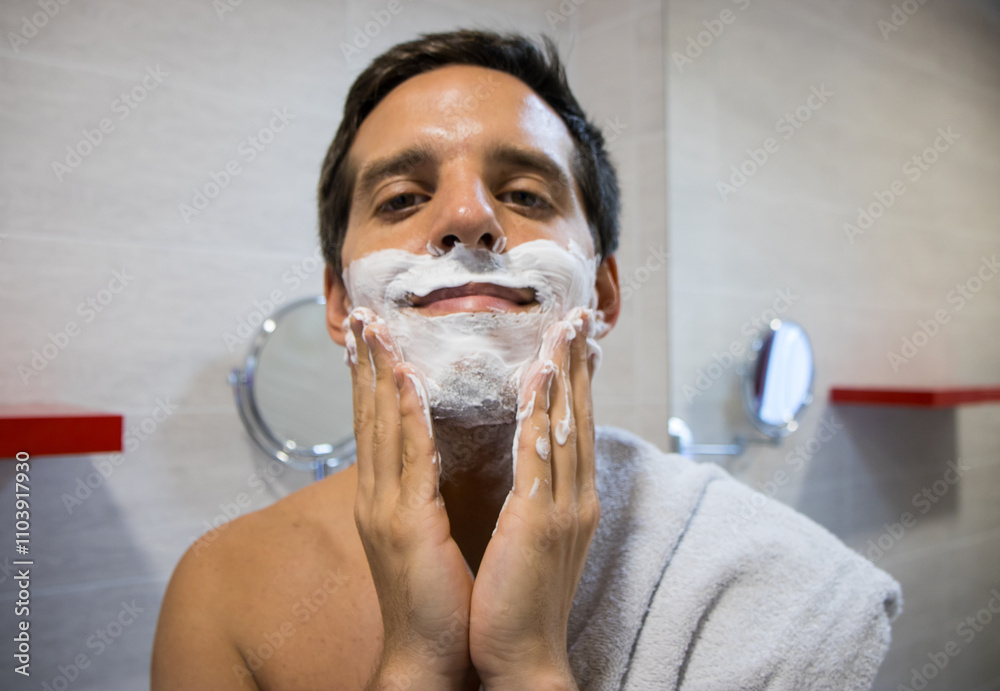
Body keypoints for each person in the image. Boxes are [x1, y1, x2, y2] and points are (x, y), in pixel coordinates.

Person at [152, 29, 901, 690]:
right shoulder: (225, 596)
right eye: (404, 198)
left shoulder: (766, 584)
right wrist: (415, 663)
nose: (469, 217)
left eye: (523, 192)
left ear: (605, 292)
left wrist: (530, 668)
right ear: (340, 302)